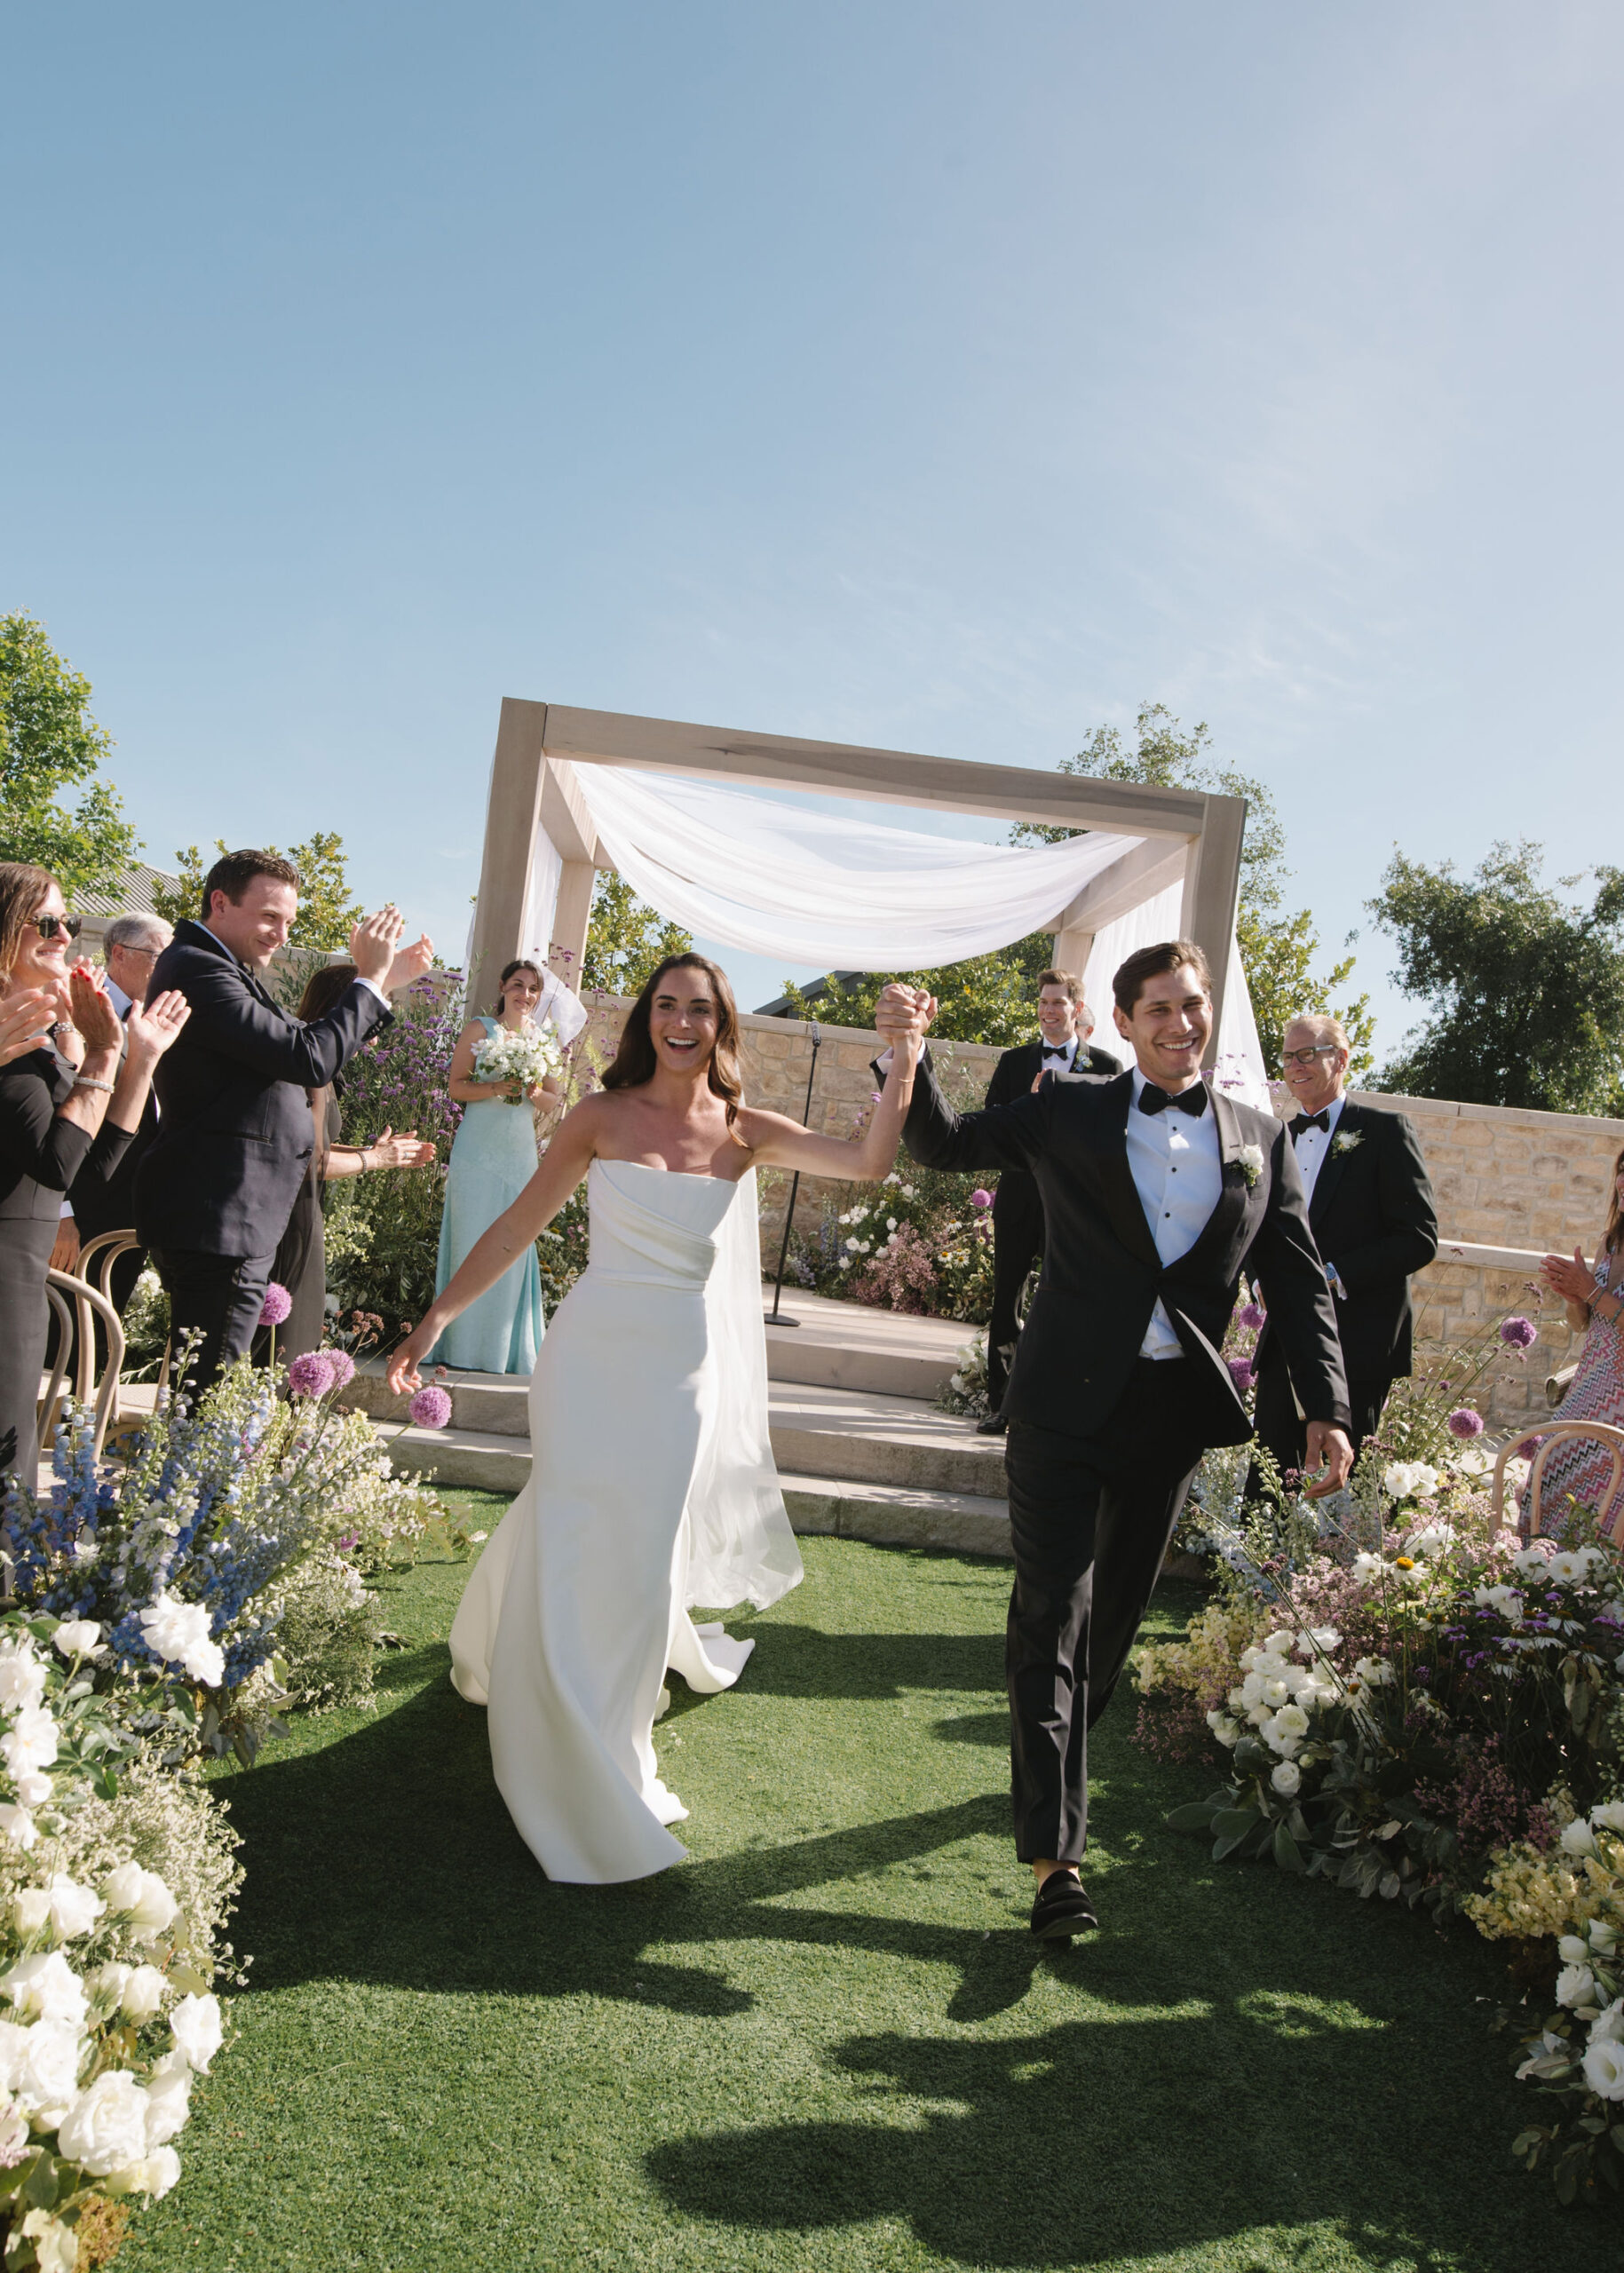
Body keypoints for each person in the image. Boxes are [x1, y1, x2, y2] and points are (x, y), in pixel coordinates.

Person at [386, 950, 923, 1885]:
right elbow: (515, 1228)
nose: (681, 1022)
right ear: (647, 1018)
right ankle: (550, 1712)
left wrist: (905, 1056)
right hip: (589, 1355)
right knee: (569, 1520)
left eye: (700, 1009)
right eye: (666, 1005)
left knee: (639, 1553)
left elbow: (868, 1163)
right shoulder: (598, 1116)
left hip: (679, 1371)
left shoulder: (745, 1129)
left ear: (722, 1025)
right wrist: (433, 1320)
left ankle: (612, 1732)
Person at [875, 939, 1351, 1939]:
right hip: (1059, 1403)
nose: (1181, 1024)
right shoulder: (1068, 1106)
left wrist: (1327, 1407)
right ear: (1124, 1022)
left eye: (1193, 1005)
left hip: (1168, 1417)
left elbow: (1297, 1279)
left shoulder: (1258, 1138)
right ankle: (1057, 1866)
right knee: (1050, 1613)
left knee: (1111, 1625)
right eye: (1160, 1009)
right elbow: (946, 1143)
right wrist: (908, 1054)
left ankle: (1047, 1762)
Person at [136, 850, 432, 1396]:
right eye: (270, 916)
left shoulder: (225, 967)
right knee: (205, 1399)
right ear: (220, 902)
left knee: (208, 1395)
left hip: (232, 1215)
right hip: (222, 1216)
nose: (281, 934)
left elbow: (302, 1043)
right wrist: (368, 978)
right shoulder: (201, 967)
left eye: (289, 921)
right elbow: (307, 1058)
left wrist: (385, 982)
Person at [0, 863, 189, 1480]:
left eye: (69, 922)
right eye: (46, 923)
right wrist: (104, 1054)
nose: (64, 935)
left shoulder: (39, 1032)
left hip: (21, 1282)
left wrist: (140, 1058)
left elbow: (95, 1164)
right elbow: (56, 1166)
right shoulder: (13, 1034)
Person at [1250, 1012, 1437, 1479]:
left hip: (1359, 1338)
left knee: (1343, 1483)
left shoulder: (1384, 1132)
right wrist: (1258, 1283)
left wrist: (1332, 1276)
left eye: (1307, 1054)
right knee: (1269, 1480)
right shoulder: (1275, 1138)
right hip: (1285, 1338)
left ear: (1342, 1059)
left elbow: (1418, 1238)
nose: (1295, 1066)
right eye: (1288, 1057)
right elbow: (1254, 1228)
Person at [257, 961, 438, 1363]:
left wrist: (375, 1153)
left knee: (296, 1335)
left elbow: (314, 1146)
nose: (375, 1034)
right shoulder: (308, 1070)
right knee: (284, 1342)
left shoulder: (315, 1066)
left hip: (304, 1212)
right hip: (288, 1219)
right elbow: (308, 1162)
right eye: (371, 1014)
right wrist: (375, 1159)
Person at [978, 969, 1121, 1434]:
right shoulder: (1014, 1062)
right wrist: (1031, 1106)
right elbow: (994, 1123)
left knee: (1071, 1300)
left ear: (1076, 1009)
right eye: (1042, 1002)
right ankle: (1001, 1405)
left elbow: (1112, 1137)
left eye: (1057, 1002)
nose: (1048, 1011)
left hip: (1074, 1203)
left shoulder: (1106, 1065)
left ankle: (1060, 1406)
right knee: (1007, 1299)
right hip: (1020, 1197)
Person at [429, 960, 561, 1374]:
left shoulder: (543, 1039)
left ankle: (505, 1349)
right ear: (503, 987)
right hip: (477, 1152)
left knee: (515, 1240)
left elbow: (553, 1102)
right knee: (470, 1236)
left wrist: (533, 1090)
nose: (526, 994)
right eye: (518, 985)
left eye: (533, 988)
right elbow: (455, 1087)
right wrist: (495, 1088)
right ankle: (461, 1344)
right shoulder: (480, 1029)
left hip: (519, 1154)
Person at [63, 913, 175, 1334]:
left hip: (132, 1213)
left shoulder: (161, 1020)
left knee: (100, 1341)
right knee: (63, 1341)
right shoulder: (79, 1009)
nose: (168, 968)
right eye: (159, 956)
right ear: (119, 954)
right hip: (80, 1212)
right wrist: (62, 1213)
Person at [1533, 1146, 1624, 1528]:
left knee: (1608, 1502)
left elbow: (1600, 1299)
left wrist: (1591, 1292)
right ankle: (1542, 1562)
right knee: (1549, 1467)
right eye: (1622, 1169)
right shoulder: (1611, 1243)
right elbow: (1582, 1324)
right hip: (1591, 1384)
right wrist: (1575, 1298)